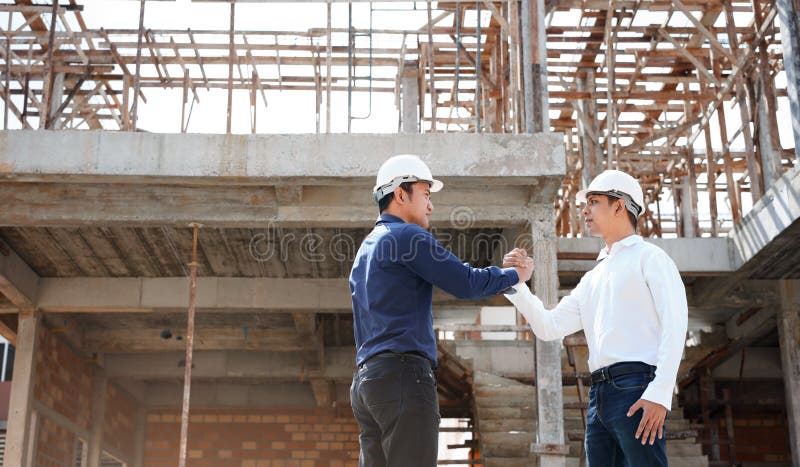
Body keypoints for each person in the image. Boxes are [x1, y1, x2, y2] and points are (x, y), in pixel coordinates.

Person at [349, 154, 532, 467]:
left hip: (368, 384)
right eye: (426, 195)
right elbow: (465, 282)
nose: (431, 205)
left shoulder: (366, 249)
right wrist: (517, 275)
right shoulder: (407, 236)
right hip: (403, 377)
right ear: (400, 194)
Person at [502, 170, 688, 466]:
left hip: (637, 386)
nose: (584, 210)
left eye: (593, 201)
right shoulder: (593, 277)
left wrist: (661, 392)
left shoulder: (650, 258)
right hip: (598, 394)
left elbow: (676, 325)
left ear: (619, 206)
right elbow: (550, 327)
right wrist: (517, 284)